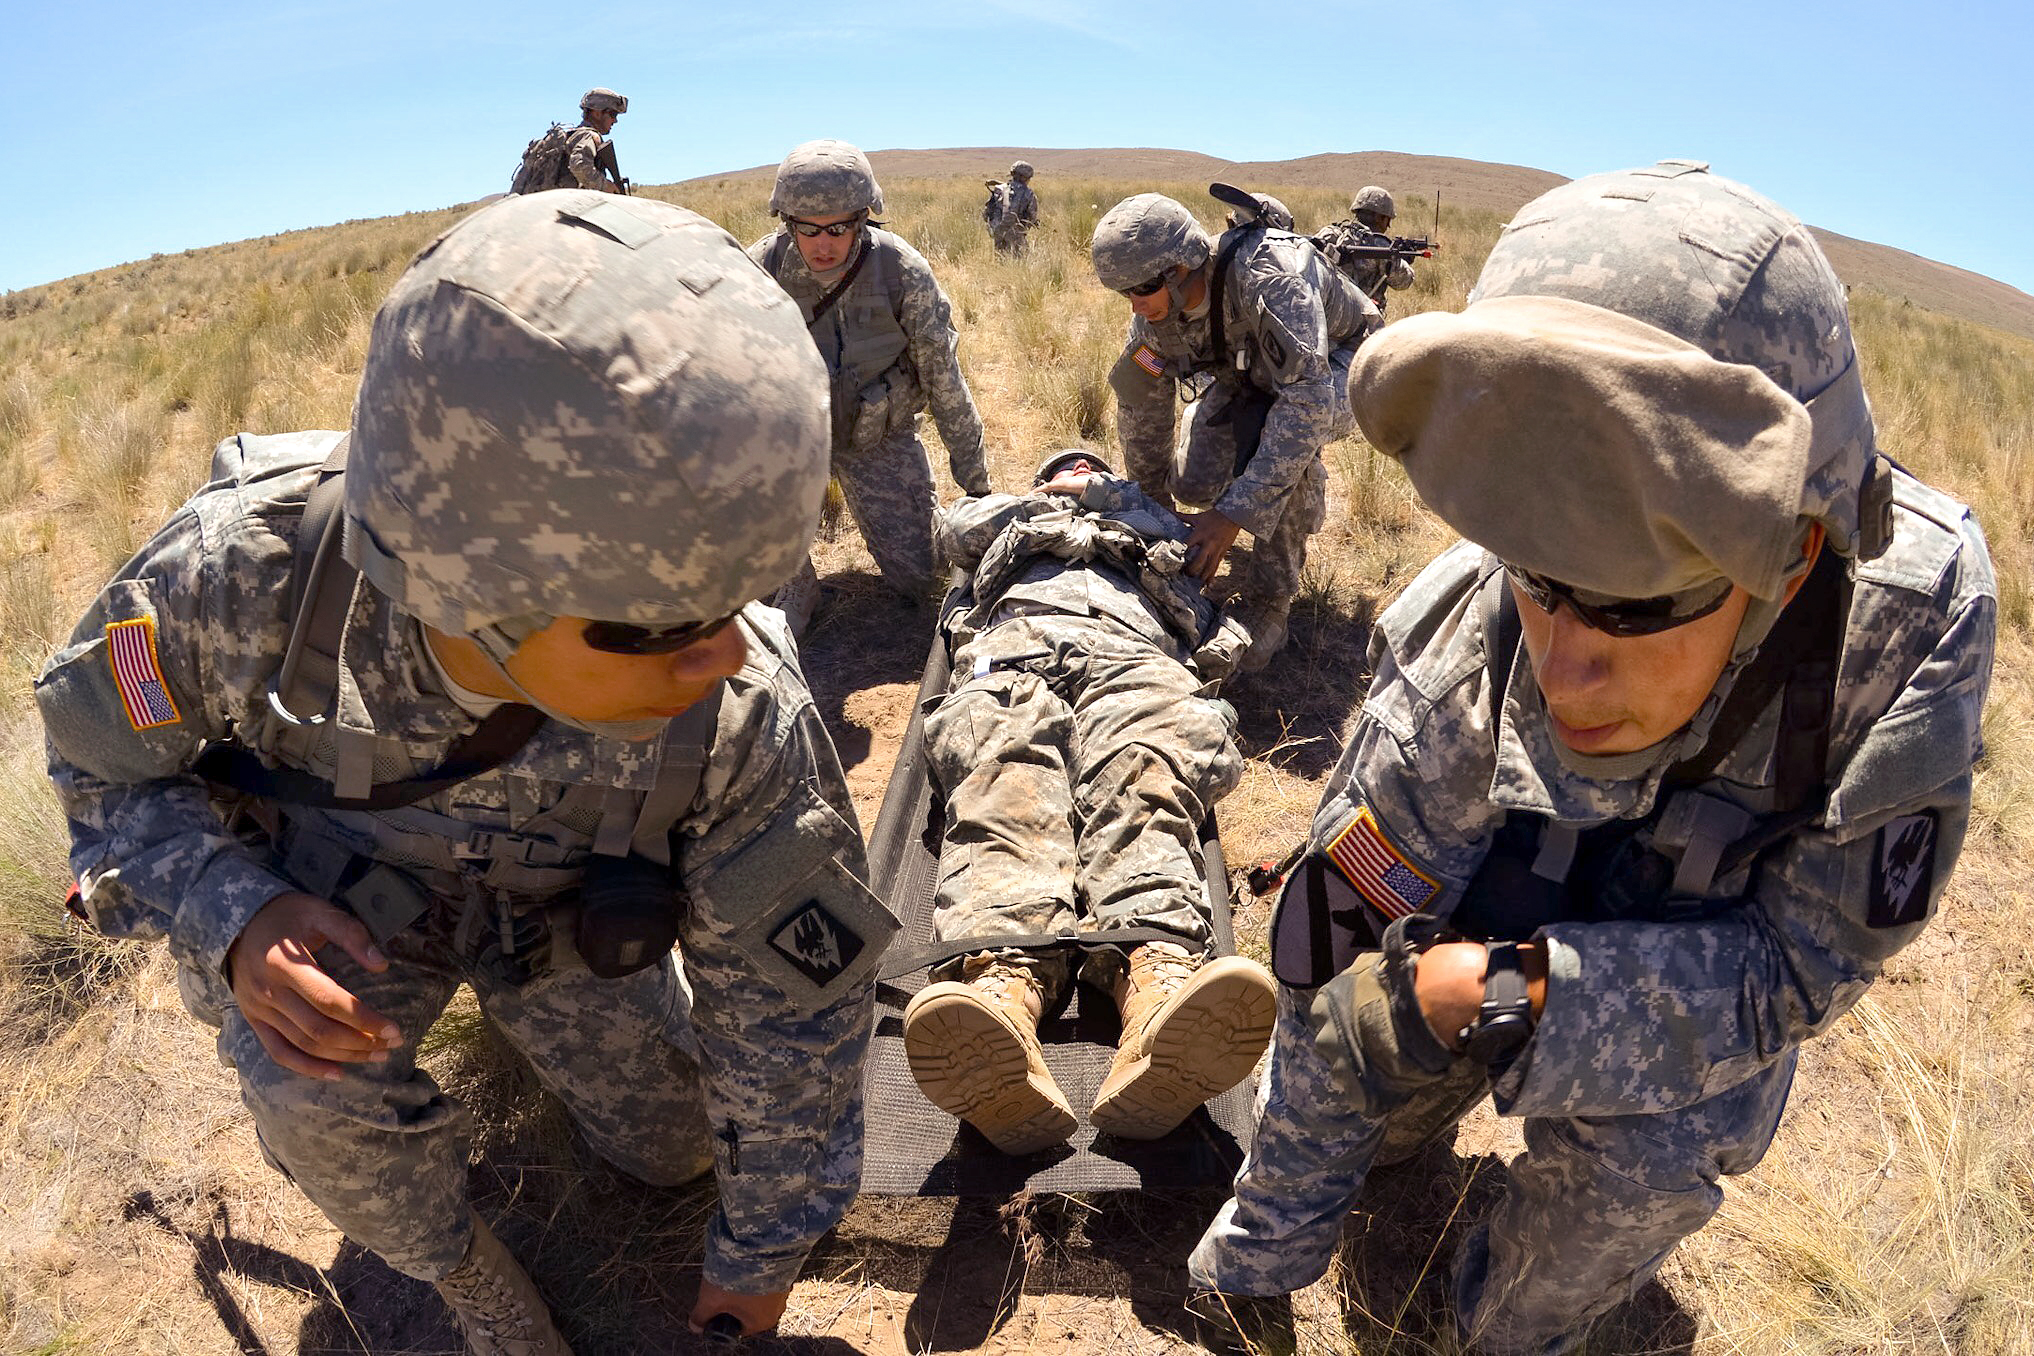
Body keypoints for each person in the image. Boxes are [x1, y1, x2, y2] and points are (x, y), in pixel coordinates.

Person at [36, 190, 899, 1354]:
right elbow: (103, 773)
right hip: (348, 911)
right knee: (304, 1082)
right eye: (650, 628)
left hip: (572, 920)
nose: (729, 653)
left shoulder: (736, 704)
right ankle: (461, 1270)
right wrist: (233, 918)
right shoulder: (234, 584)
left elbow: (796, 1018)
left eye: (739, 597)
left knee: (671, 1149)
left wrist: (760, 1258)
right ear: (459, 584)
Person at [1187, 162, 1996, 1354]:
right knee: (1364, 1033)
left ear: (1794, 551)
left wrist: (1514, 997)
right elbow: (1330, 940)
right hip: (1480, 892)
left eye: (1633, 610)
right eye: (1540, 584)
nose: (1562, 669)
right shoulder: (1464, 644)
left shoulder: (1901, 633)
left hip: (1694, 941)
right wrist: (1256, 1259)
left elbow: (1795, 971)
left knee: (1655, 1151)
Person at [899, 449, 1275, 1154]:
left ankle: (1156, 994)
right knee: (1004, 775)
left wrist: (1111, 497)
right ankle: (1002, 995)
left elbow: (1201, 558)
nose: (1077, 469)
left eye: (1089, 464)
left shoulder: (1154, 522)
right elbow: (948, 532)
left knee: (1147, 775)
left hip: (1137, 658)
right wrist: (1043, 502)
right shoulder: (1008, 514)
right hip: (1012, 651)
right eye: (1064, 465)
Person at [1095, 193, 1376, 672]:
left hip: (1346, 365)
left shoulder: (1272, 279)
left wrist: (1234, 512)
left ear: (1181, 267)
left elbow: (1307, 400)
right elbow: (1141, 402)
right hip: (1251, 374)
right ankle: (1245, 470)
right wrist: (1152, 505)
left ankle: (1272, 601)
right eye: (1125, 294)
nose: (1136, 306)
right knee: (1190, 484)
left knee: (1288, 440)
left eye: (1143, 288)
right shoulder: (1152, 318)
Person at [750, 139, 991, 628]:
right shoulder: (760, 272)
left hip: (876, 440)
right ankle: (796, 579)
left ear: (863, 218)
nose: (823, 244)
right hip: (789, 444)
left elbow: (945, 384)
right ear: (787, 222)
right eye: (808, 229)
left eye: (838, 228)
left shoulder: (901, 272)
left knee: (922, 580)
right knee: (749, 573)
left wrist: (978, 494)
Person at [1312, 184, 1416, 312]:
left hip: (1323, 313)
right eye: (1387, 220)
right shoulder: (1380, 245)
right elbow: (1403, 282)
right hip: (1362, 320)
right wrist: (1403, 261)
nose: (1388, 226)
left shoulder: (1329, 233)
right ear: (1379, 217)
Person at [509, 88, 629, 196]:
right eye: (612, 114)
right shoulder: (588, 135)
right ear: (596, 112)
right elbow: (579, 164)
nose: (615, 120)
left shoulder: (570, 135)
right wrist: (604, 185)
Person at [984, 160, 1041, 255]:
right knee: (1020, 261)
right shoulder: (1028, 193)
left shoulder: (999, 189)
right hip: (1017, 234)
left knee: (1000, 259)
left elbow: (987, 213)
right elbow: (1032, 216)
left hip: (998, 232)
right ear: (1026, 177)